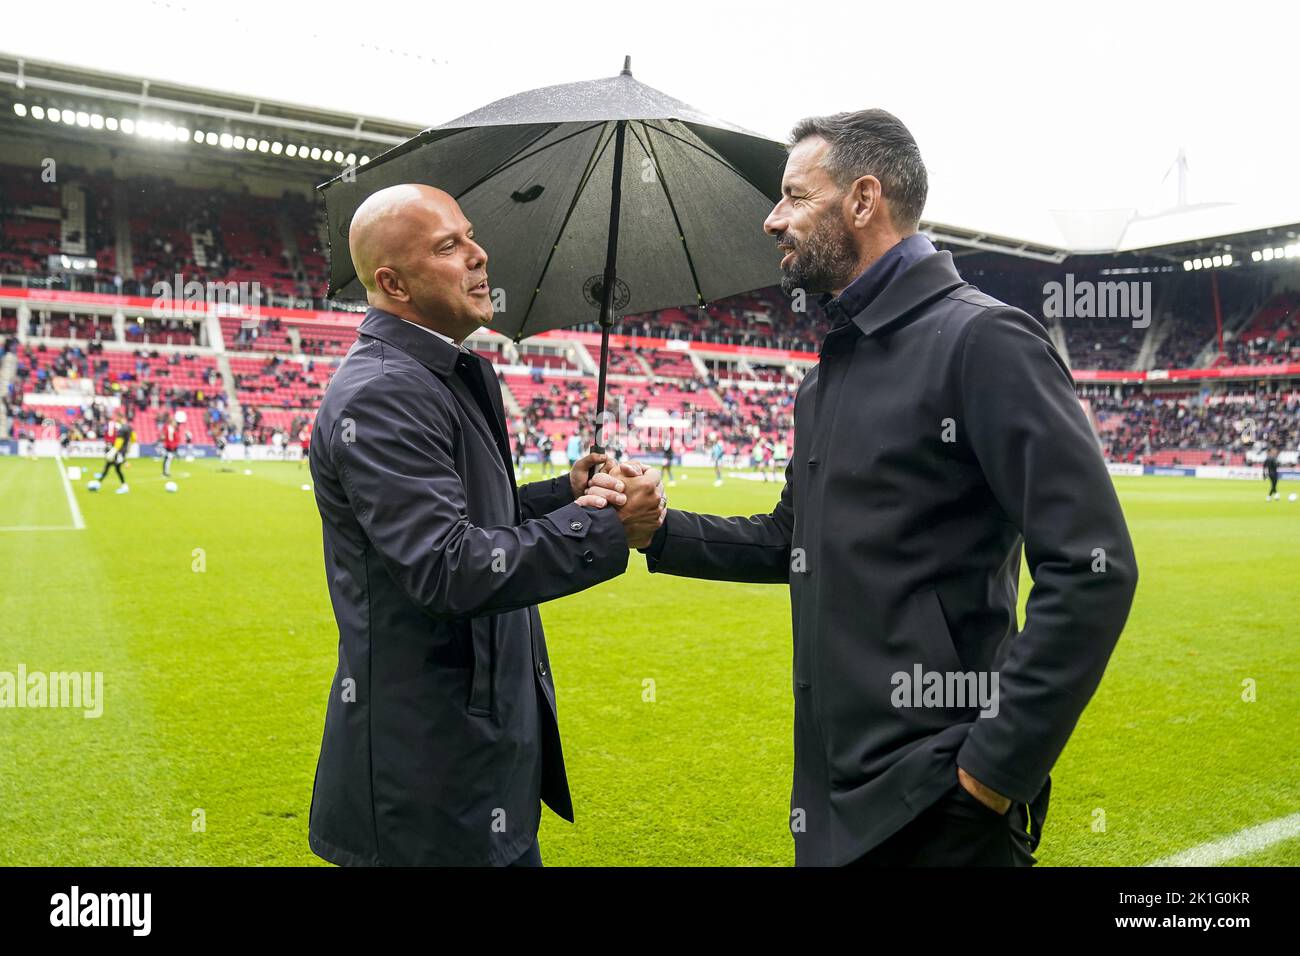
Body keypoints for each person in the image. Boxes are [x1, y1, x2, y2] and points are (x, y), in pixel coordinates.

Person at [630, 109, 1138, 866]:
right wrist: (660, 530)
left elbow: (1095, 569)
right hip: (832, 800)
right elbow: (788, 541)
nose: (773, 220)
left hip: (943, 802)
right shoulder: (826, 376)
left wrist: (991, 776)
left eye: (794, 196)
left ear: (863, 201)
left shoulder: (983, 341)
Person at [306, 184, 665, 868]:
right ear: (392, 281)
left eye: (470, 235)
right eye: (450, 246)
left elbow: (477, 519)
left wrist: (569, 492)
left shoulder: (440, 373)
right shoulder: (386, 390)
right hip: (427, 792)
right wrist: (611, 531)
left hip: (475, 767)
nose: (480, 254)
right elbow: (448, 566)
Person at [92, 412, 133, 494]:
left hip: (118, 451)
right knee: (111, 466)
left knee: (113, 467)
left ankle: (124, 486)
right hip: (119, 451)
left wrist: (113, 450)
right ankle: (99, 483)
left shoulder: (121, 428)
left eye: (117, 417)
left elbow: (118, 441)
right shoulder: (127, 427)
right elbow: (133, 438)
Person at [160, 413, 181, 477]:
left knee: (168, 459)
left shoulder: (172, 428)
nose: (175, 423)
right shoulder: (169, 428)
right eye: (174, 421)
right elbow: (169, 438)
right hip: (169, 446)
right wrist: (172, 447)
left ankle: (165, 472)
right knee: (168, 459)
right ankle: (166, 472)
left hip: (171, 446)